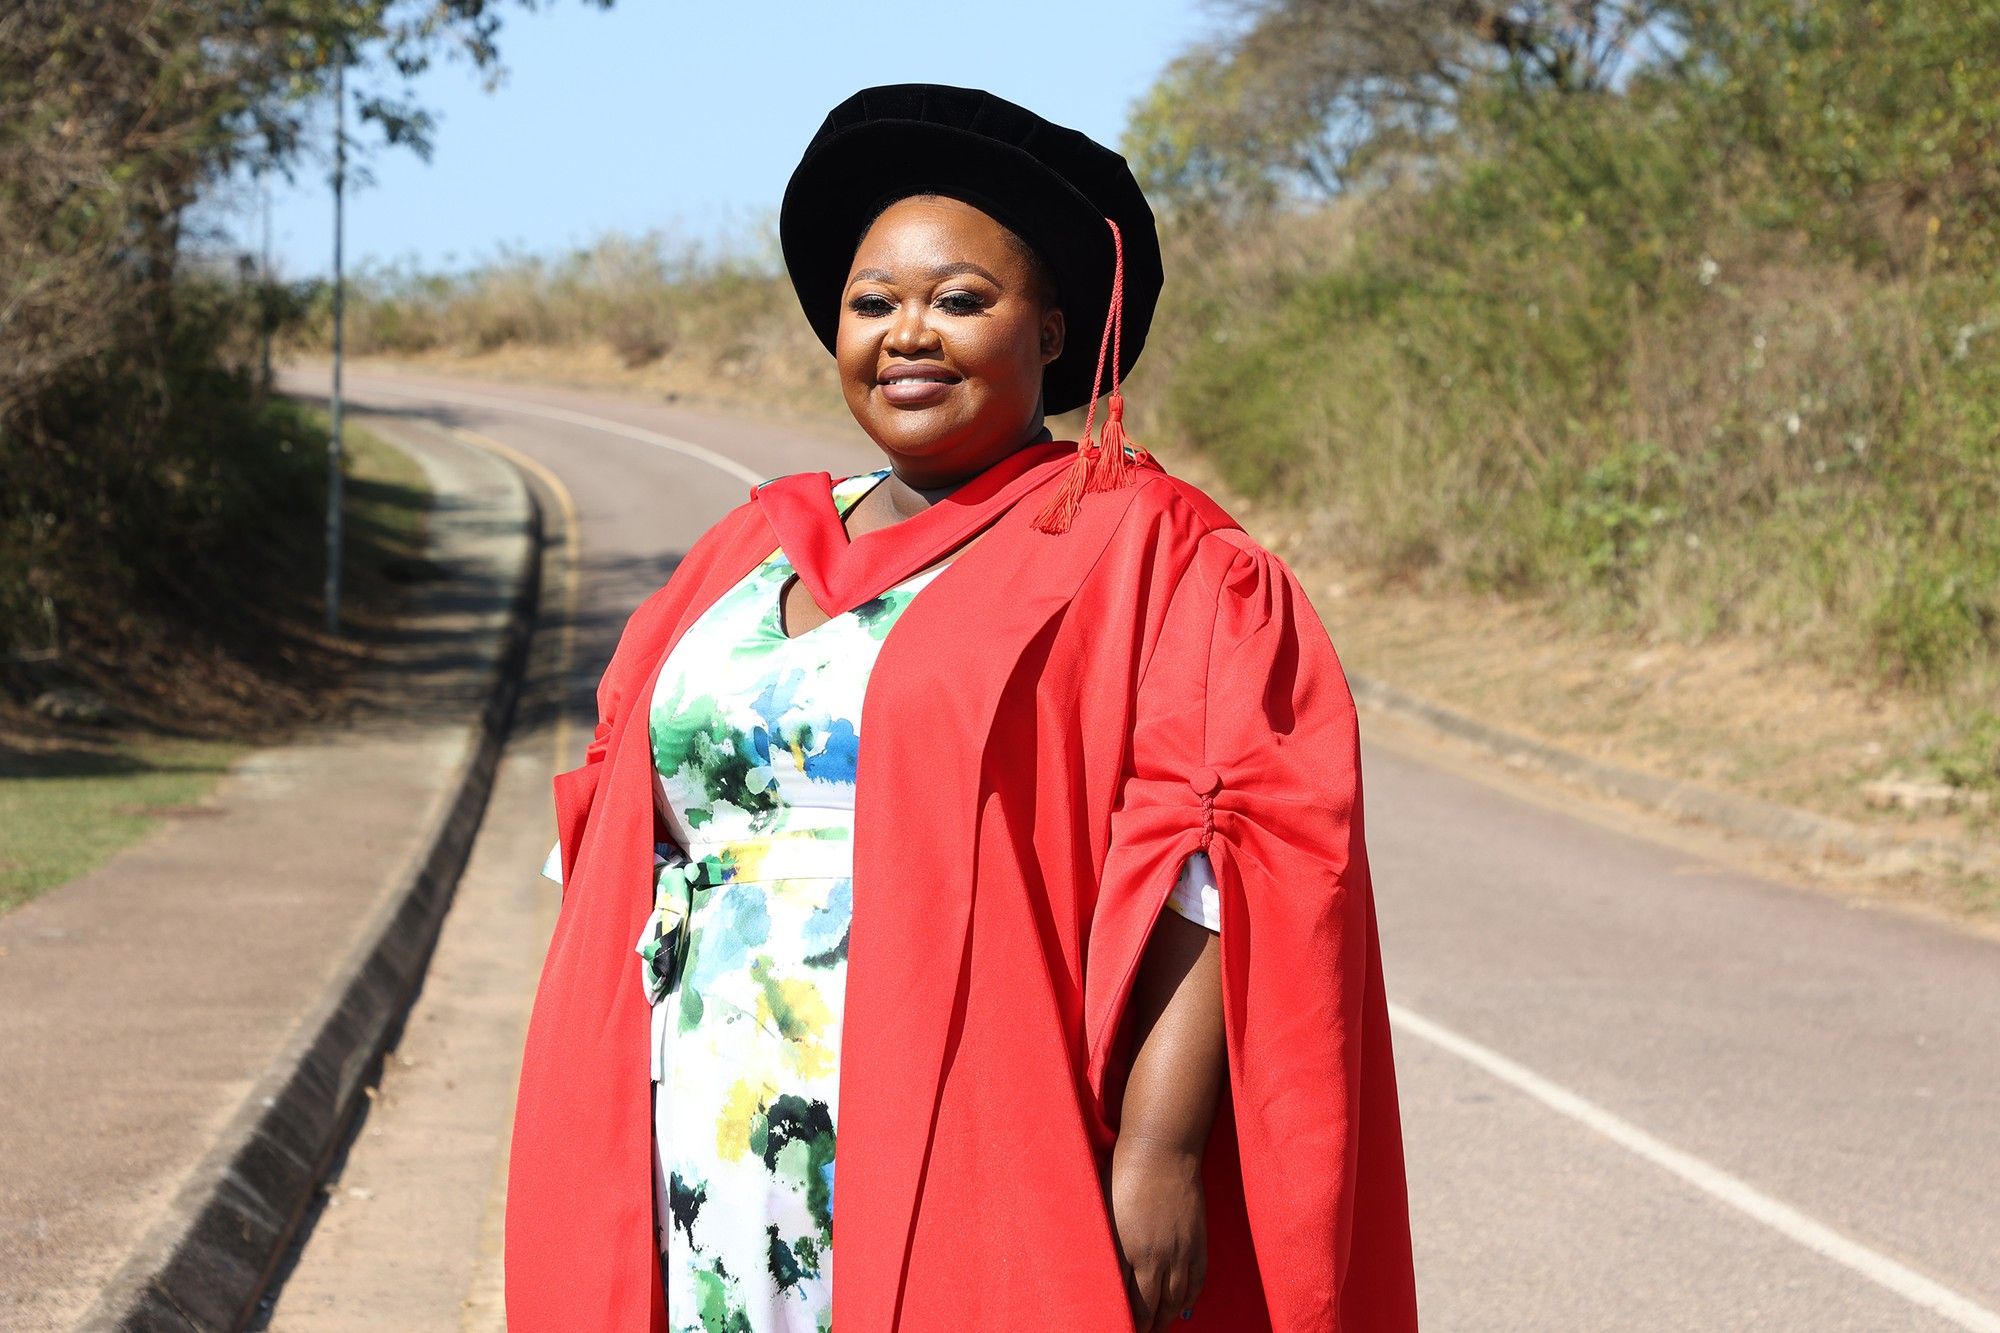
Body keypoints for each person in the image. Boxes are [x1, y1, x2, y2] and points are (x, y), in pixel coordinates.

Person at [506, 83, 1417, 1332]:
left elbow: (1213, 866)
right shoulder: (747, 552)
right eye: (871, 303)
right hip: (700, 1103)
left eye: (960, 300)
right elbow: (618, 815)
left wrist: (1156, 1150)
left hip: (958, 1112)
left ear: (1052, 329)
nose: (907, 334)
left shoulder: (1146, 553)